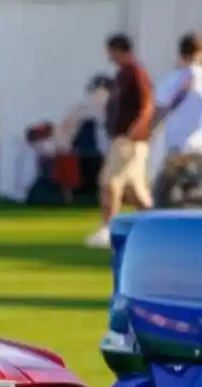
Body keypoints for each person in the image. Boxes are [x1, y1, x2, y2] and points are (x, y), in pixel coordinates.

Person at [87, 34, 155, 248]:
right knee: (136, 191)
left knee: (110, 181)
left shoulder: (135, 72)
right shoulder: (123, 74)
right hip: (125, 137)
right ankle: (155, 225)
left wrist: (137, 127)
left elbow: (147, 102)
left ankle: (108, 228)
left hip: (129, 138)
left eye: (110, 51)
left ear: (117, 50)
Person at [151, 33, 202, 207]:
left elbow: (159, 109)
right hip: (200, 146)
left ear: (180, 54)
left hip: (178, 147)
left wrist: (148, 131)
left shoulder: (173, 80)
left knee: (163, 196)